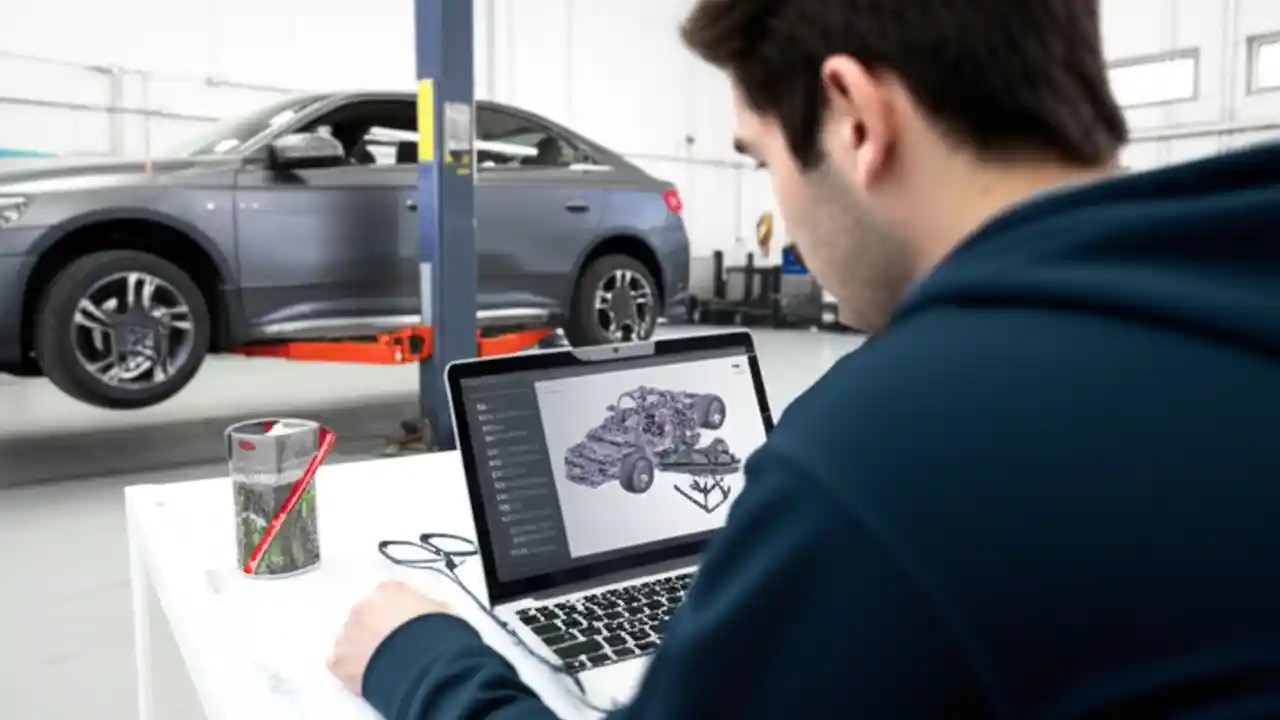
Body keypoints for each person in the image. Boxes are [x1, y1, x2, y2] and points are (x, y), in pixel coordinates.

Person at [330, 0, 1280, 717]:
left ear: (855, 118)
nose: (781, 209)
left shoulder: (883, 455)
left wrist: (423, 660)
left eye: (761, 160)